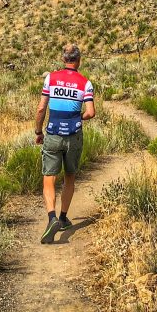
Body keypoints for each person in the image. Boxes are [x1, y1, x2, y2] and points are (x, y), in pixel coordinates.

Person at [34, 43, 95, 244]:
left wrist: (38, 131)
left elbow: (41, 108)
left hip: (52, 133)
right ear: (78, 60)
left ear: (63, 59)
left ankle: (51, 218)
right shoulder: (85, 83)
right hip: (73, 134)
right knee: (69, 176)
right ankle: (62, 217)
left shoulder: (50, 78)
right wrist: (78, 118)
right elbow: (90, 112)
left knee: (49, 177)